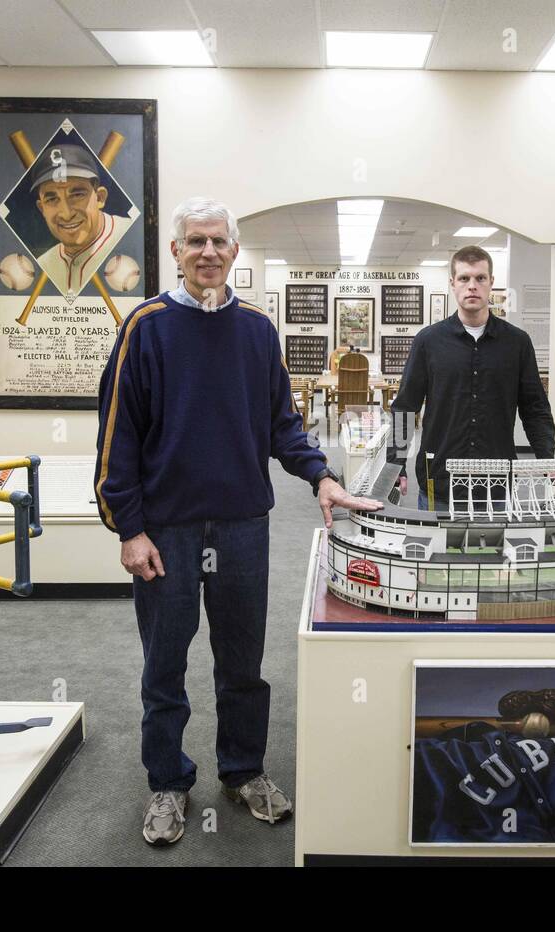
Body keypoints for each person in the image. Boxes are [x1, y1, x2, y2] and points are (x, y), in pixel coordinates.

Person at [95, 196, 380, 847]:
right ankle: (167, 781)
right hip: (166, 531)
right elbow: (119, 437)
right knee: (164, 664)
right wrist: (128, 528)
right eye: (195, 241)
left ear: (234, 251)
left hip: (243, 525)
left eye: (218, 242)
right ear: (176, 251)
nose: (208, 253)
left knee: (243, 664)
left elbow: (283, 424)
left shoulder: (256, 330)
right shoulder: (146, 328)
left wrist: (322, 476)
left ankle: (243, 769)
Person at [389, 245, 554, 510]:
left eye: (480, 278)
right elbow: (405, 407)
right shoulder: (428, 342)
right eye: (464, 278)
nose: (472, 286)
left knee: (496, 552)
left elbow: (535, 409)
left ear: (491, 283)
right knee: (435, 552)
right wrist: (395, 464)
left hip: (496, 484)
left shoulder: (517, 343)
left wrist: (548, 459)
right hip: (439, 482)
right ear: (452, 283)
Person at [29, 143, 134, 297]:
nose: (66, 214)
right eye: (52, 199)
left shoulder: (131, 235)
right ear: (42, 208)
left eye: (77, 195)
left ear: (99, 198)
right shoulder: (44, 264)